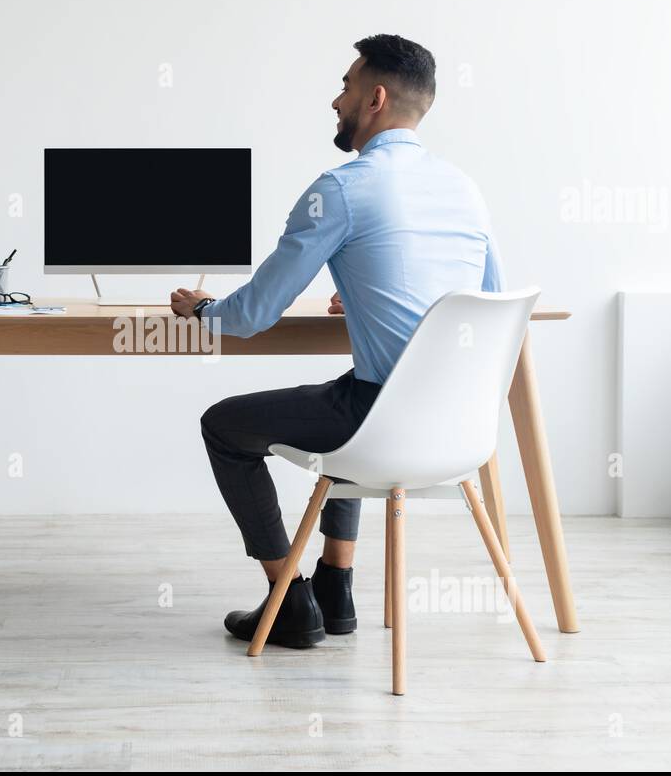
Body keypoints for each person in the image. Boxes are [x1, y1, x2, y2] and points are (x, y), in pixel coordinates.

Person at [168, 33, 504, 648]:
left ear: (374, 98)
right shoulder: (465, 189)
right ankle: (336, 585)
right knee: (347, 391)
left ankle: (288, 598)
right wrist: (369, 291)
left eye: (346, 86)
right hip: (464, 429)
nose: (335, 100)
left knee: (224, 426)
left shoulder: (343, 189)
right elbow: (486, 301)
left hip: (379, 424)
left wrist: (205, 308)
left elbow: (254, 314)